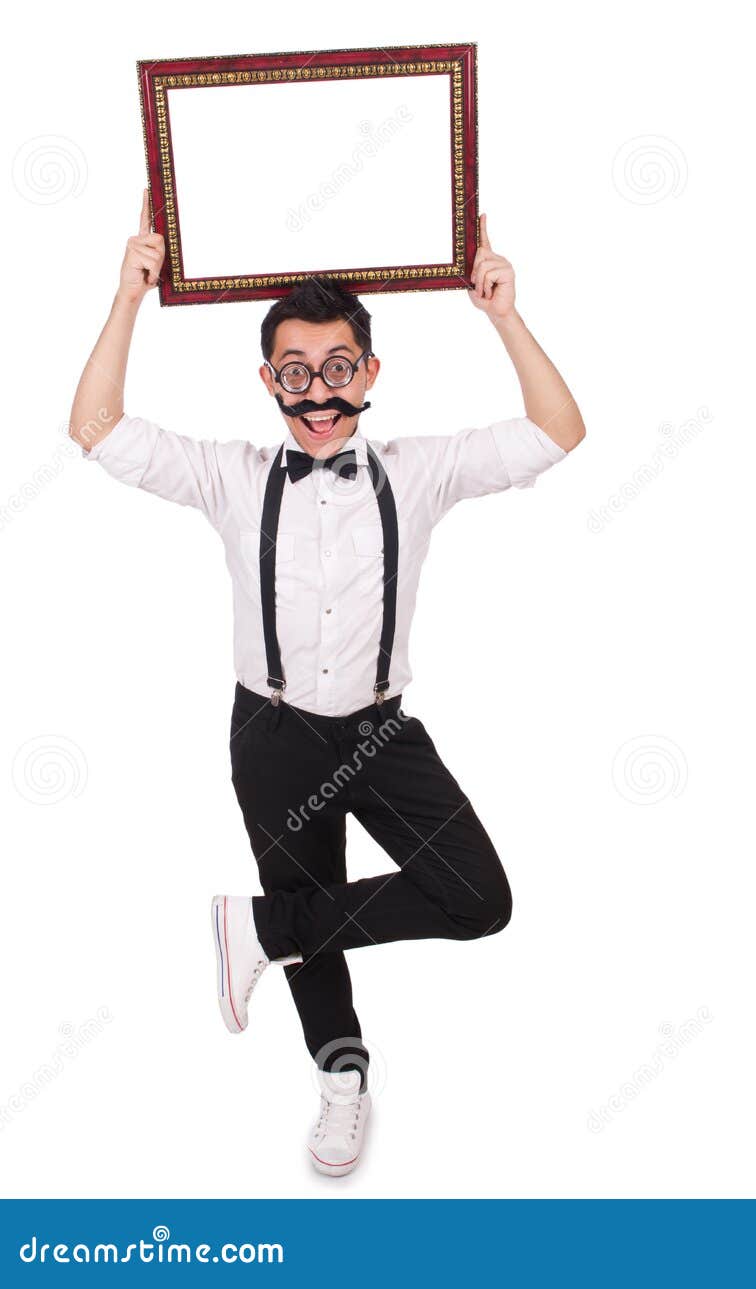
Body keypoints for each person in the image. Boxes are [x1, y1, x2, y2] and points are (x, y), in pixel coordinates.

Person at [69, 192, 586, 1177]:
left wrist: (504, 314)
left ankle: (259, 928)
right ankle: (340, 1078)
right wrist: (127, 296)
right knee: (319, 925)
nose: (318, 393)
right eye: (297, 372)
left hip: (383, 735)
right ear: (268, 379)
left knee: (478, 896)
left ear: (370, 373)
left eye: (338, 369)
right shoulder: (230, 475)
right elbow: (93, 427)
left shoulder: (419, 469)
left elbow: (559, 431)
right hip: (269, 734)